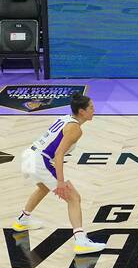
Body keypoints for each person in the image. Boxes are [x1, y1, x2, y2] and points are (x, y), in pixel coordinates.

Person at [13, 94, 107, 254]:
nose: (94, 110)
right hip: (40, 160)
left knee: (43, 188)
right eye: (91, 107)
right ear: (82, 111)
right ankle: (81, 241)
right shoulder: (75, 129)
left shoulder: (65, 119)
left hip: (29, 155)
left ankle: (23, 219)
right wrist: (61, 182)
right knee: (74, 198)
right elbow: (58, 154)